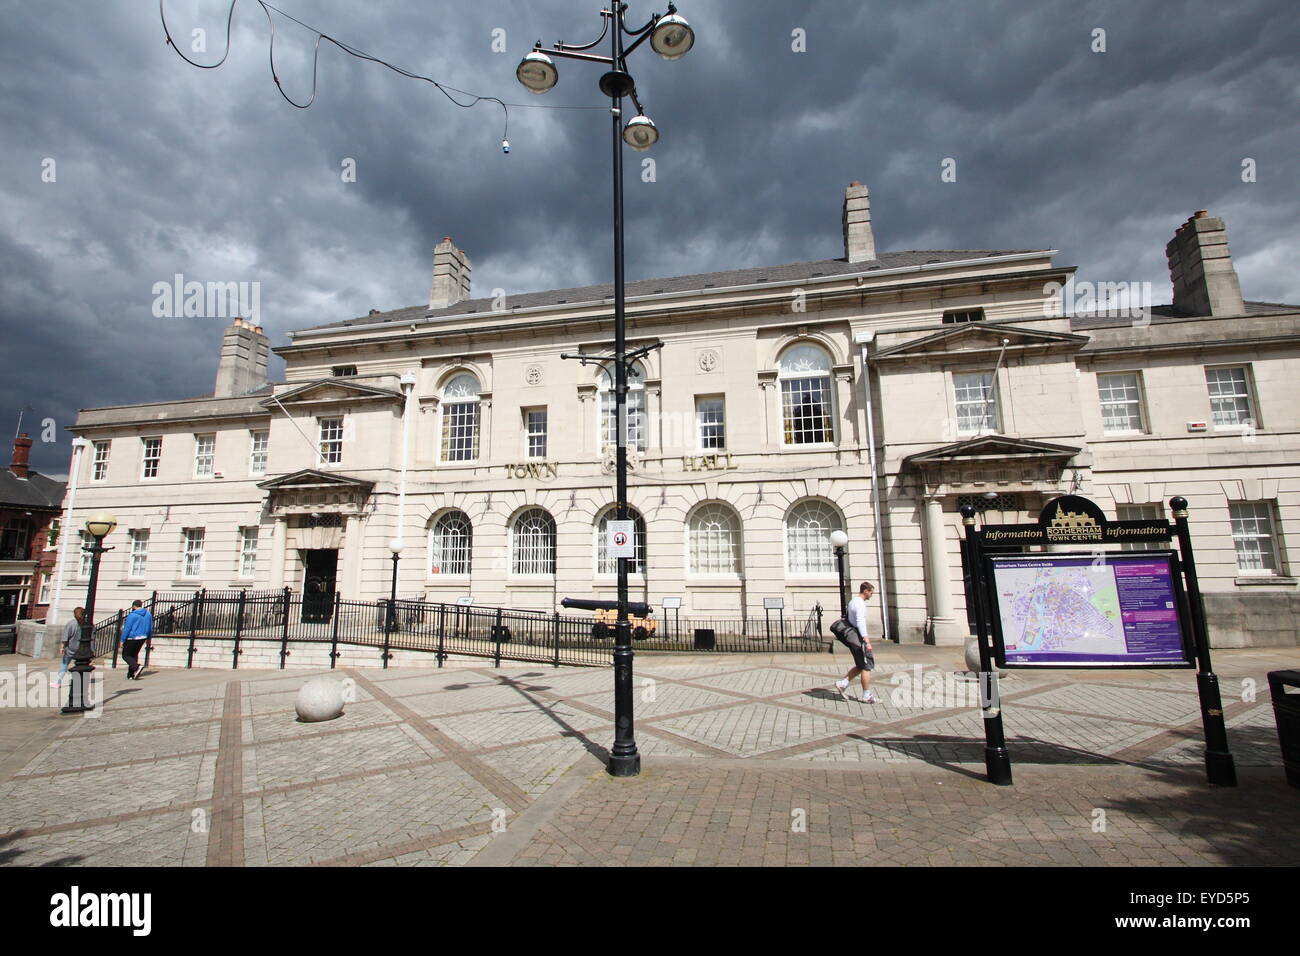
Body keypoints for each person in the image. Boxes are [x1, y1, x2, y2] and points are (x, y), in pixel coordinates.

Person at [835, 582, 878, 704]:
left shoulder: (853, 601)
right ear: (865, 591)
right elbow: (860, 622)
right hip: (858, 638)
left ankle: (843, 683)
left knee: (860, 664)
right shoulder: (859, 604)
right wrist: (866, 640)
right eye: (871, 592)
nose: (871, 595)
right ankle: (866, 695)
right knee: (866, 666)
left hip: (854, 638)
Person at [119, 599, 153, 680]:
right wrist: (148, 638)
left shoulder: (132, 615)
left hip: (132, 637)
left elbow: (127, 628)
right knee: (134, 655)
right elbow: (150, 627)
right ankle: (131, 674)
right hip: (143, 637)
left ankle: (136, 667)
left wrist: (122, 640)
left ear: (134, 606)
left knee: (126, 655)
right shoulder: (148, 614)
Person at [53, 607, 86, 685]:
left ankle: (58, 681)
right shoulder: (86, 624)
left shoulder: (71, 623)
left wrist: (62, 647)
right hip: (81, 649)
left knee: (64, 665)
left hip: (70, 648)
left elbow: (65, 637)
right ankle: (78, 680)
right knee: (79, 665)